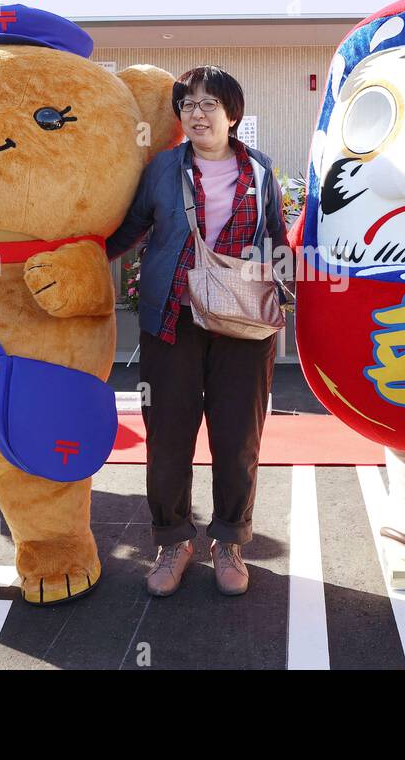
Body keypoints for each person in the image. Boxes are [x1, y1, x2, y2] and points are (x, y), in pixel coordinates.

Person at [106, 66, 290, 597]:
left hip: (242, 320)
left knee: (238, 438)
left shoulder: (260, 169)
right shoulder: (163, 169)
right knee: (168, 439)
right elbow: (131, 228)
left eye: (210, 104)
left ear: (234, 114)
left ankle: (229, 540)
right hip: (172, 319)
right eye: (187, 104)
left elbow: (276, 234)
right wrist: (79, 256)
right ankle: (172, 541)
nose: (197, 114)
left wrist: (286, 283)